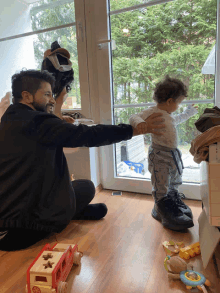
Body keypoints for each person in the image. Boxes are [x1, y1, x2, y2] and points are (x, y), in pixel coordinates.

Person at [0, 68, 165, 251]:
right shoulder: (35, 122)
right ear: (27, 96)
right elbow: (87, 135)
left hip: (12, 213)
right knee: (87, 195)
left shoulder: (11, 118)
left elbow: (42, 135)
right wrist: (133, 130)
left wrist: (60, 123)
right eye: (47, 94)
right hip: (19, 228)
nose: (52, 100)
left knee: (85, 186)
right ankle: (66, 214)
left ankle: (68, 211)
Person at [129, 75, 198, 231]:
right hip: (159, 154)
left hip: (173, 153)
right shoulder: (153, 111)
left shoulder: (169, 115)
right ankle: (161, 207)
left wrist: (190, 112)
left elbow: (177, 119)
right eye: (179, 103)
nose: (178, 106)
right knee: (161, 181)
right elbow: (133, 116)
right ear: (169, 102)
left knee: (175, 177)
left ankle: (172, 199)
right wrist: (140, 123)